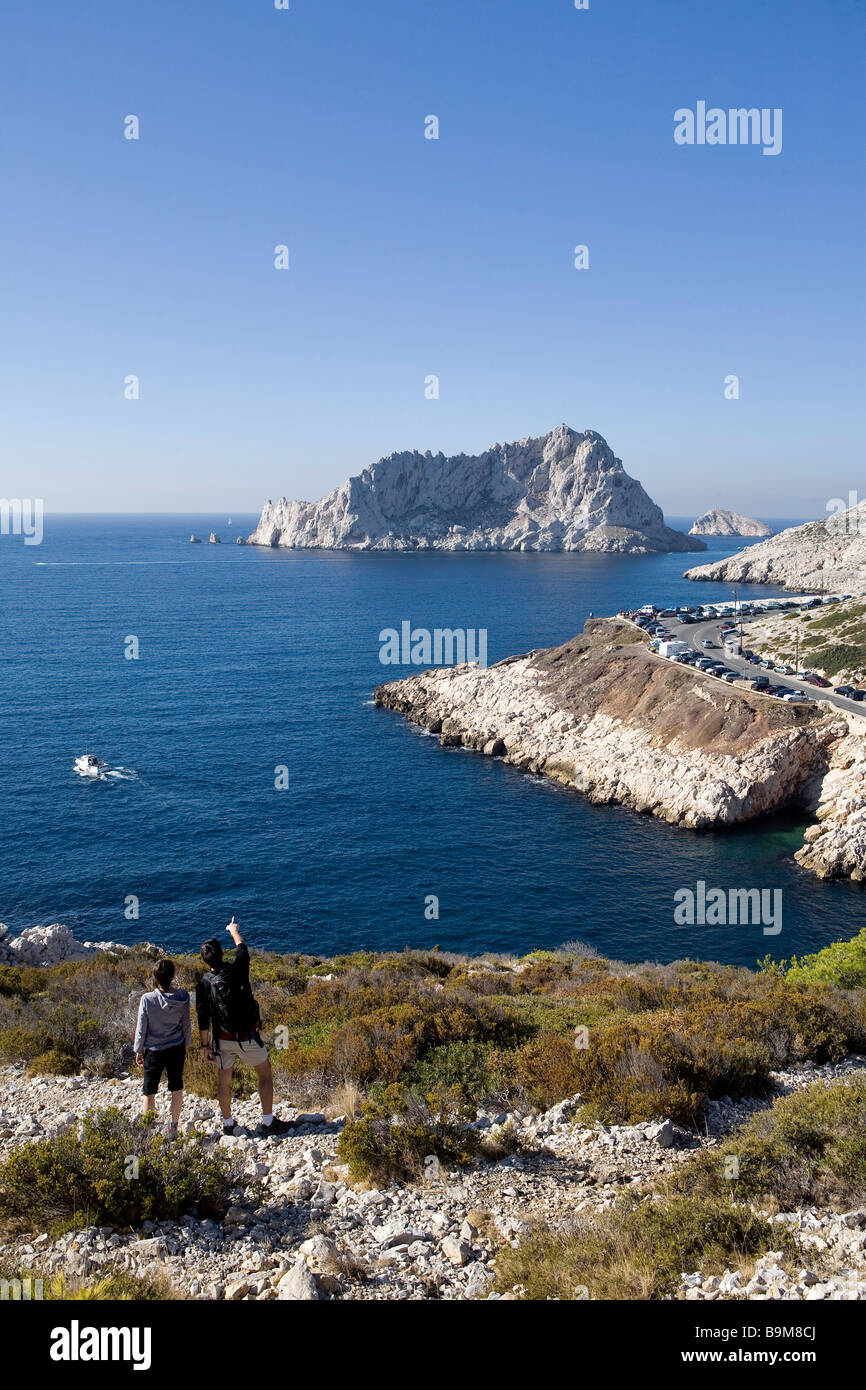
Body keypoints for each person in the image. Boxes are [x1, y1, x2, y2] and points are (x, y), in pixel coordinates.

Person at [196, 916, 292, 1138]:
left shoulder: (203, 984)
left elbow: (202, 1017)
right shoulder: (238, 969)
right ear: (222, 954)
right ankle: (268, 1122)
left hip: (221, 1039)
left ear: (205, 961)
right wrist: (233, 931)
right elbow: (242, 948)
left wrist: (204, 1046)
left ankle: (228, 1124)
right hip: (247, 1036)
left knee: (224, 1079)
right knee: (265, 1073)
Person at [134, 959, 191, 1137]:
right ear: (173, 976)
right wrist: (186, 1045)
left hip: (153, 1050)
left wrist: (138, 1049)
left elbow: (141, 1026)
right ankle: (173, 1127)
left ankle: (148, 1131)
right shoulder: (183, 997)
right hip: (176, 1048)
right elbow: (186, 1025)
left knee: (149, 1092)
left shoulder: (147, 999)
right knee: (176, 1088)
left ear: (155, 978)